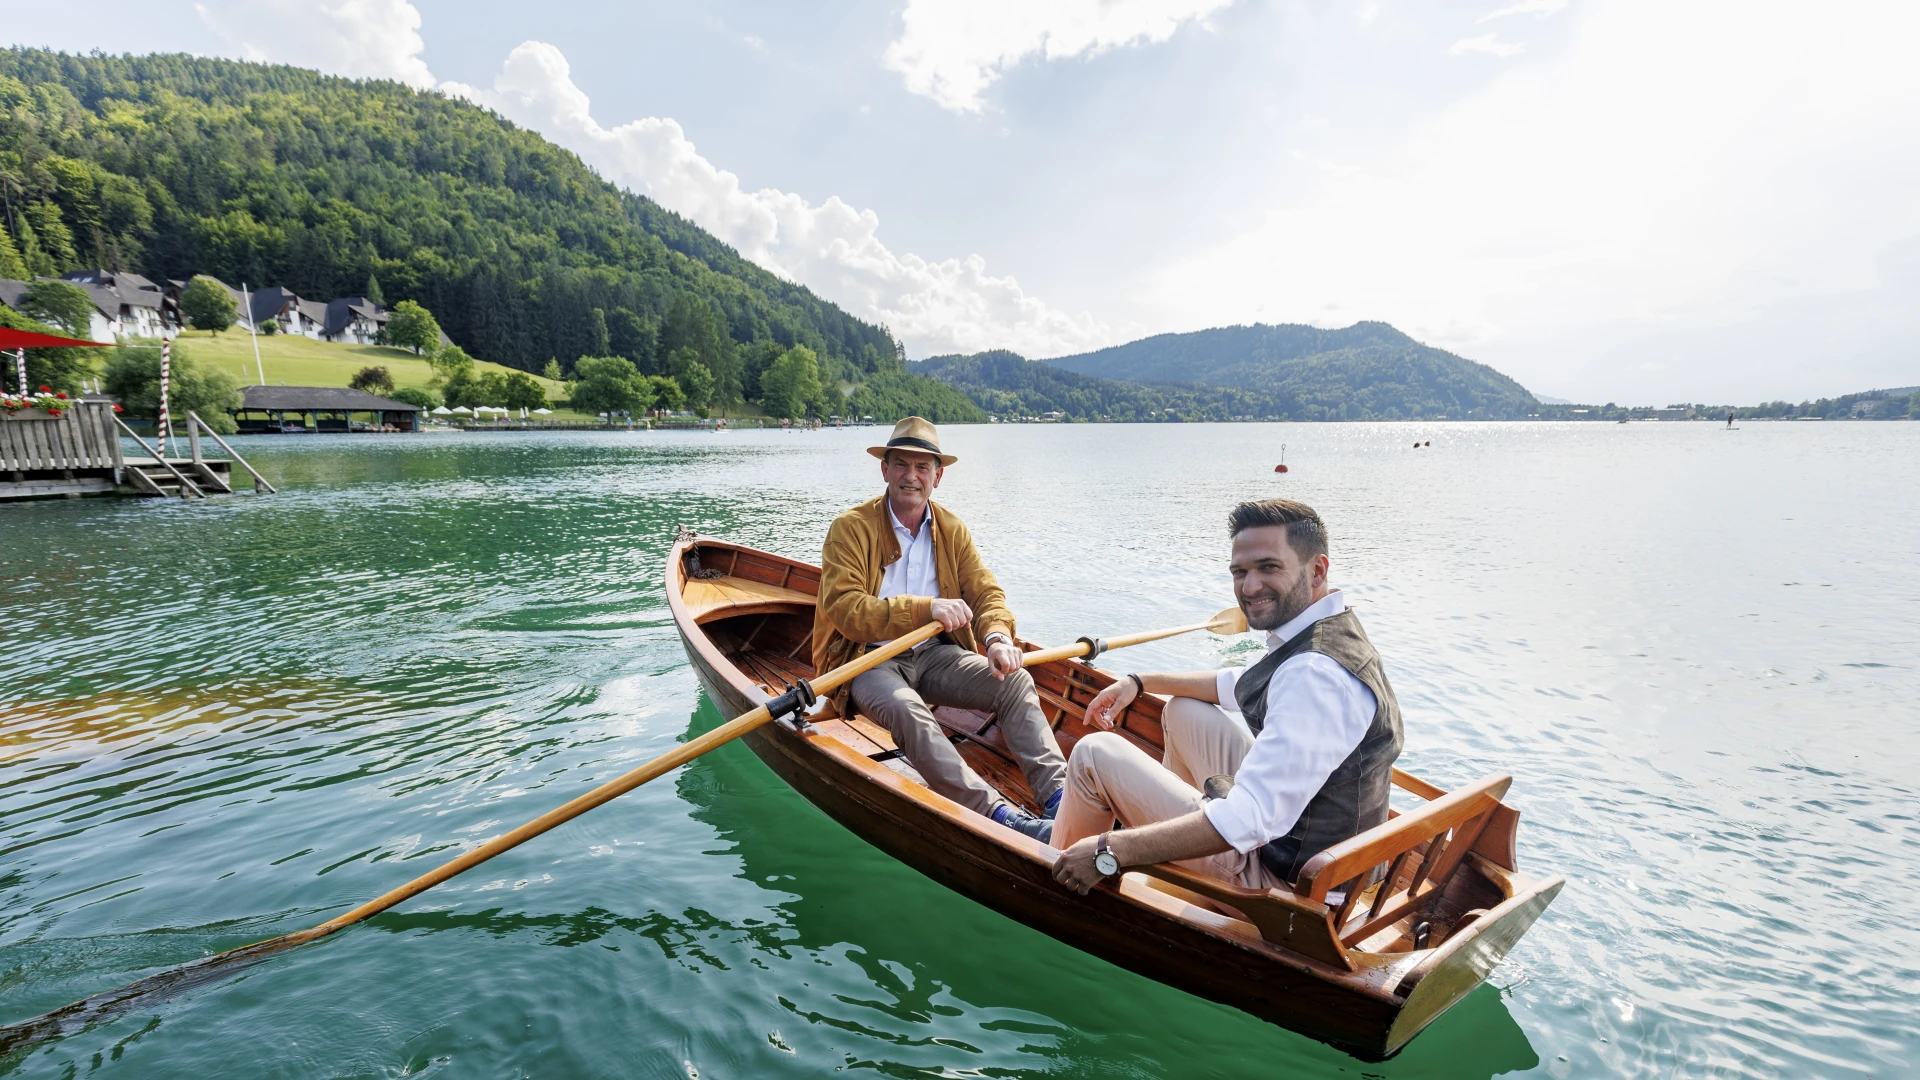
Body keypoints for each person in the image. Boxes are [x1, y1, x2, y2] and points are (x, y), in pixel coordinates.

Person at [1049, 498, 1403, 895]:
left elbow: (1247, 818)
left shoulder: (1315, 674)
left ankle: (1062, 879)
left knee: (1094, 755)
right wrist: (1140, 681)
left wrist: (1109, 848)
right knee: (1183, 712)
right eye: (1240, 571)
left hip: (1291, 887)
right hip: (1308, 842)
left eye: (1268, 567)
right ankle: (1168, 860)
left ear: (1317, 569)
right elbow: (1235, 685)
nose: (1250, 587)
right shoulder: (1326, 630)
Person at [814, 416, 1066, 840]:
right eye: (901, 465)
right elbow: (846, 610)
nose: (911, 476)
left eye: (922, 467)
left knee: (1015, 680)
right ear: (885, 470)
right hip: (867, 660)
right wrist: (925, 608)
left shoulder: (951, 529)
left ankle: (1062, 798)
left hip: (933, 655)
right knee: (905, 709)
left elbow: (986, 592)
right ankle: (1000, 816)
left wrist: (998, 636)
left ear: (938, 476)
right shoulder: (850, 528)